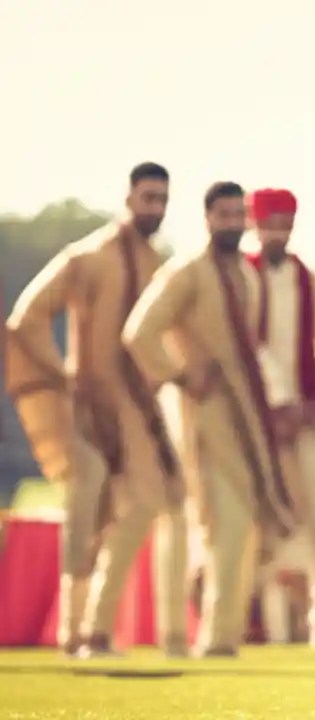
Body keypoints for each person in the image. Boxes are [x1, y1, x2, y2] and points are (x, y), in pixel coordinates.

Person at [4, 162, 188, 658]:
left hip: (133, 410)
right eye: (148, 198)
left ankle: (96, 628)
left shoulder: (156, 266)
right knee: (83, 516)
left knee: (145, 506)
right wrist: (63, 377)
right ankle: (74, 632)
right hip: (86, 408)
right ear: (128, 198)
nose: (155, 208)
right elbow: (27, 317)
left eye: (163, 200)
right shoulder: (88, 257)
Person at [124, 180, 297, 657]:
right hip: (199, 416)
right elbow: (139, 333)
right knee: (222, 524)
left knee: (238, 527)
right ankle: (205, 638)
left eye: (238, 215)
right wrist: (180, 374)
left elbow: (253, 349)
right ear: (206, 219)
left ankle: (217, 634)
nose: (233, 224)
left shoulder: (244, 273)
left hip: (244, 418)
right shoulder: (187, 272)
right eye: (223, 215)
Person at [245, 188, 315, 647]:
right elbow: (250, 346)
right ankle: (264, 634)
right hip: (255, 423)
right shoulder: (241, 277)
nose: (278, 234)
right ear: (256, 226)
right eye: (270, 225)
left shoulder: (310, 279)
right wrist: (276, 402)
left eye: (285, 226)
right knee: (266, 532)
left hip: (311, 418)